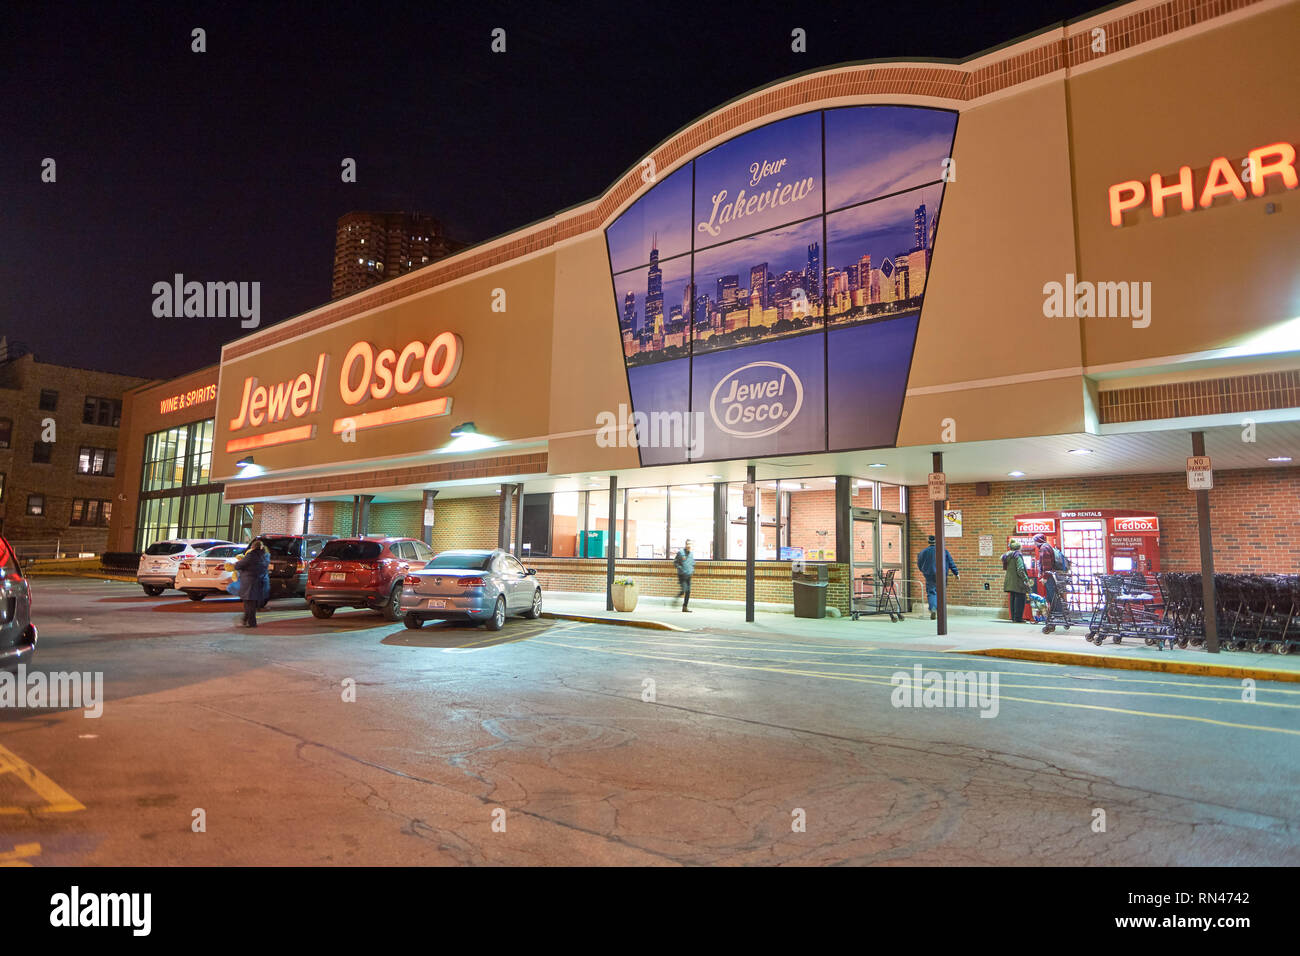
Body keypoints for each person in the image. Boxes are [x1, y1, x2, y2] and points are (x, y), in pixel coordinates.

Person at [916, 534, 958, 620]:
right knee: (941, 592)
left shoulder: (923, 552)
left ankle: (933, 608)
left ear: (929, 542)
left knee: (931, 592)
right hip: (942, 575)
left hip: (929, 575)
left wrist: (925, 571)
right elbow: (950, 562)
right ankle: (940, 610)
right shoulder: (944, 551)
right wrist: (956, 573)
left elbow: (919, 564)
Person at [234, 539, 271, 628]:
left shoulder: (251, 555)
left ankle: (251, 622)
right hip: (259, 582)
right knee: (252, 603)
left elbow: (239, 565)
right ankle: (246, 619)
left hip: (249, 582)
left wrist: (237, 563)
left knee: (248, 603)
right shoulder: (265, 556)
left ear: (253, 547)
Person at [1003, 542, 1032, 623]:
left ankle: (1013, 618)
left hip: (1010, 581)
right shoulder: (1017, 556)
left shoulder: (1008, 556)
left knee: (1013, 598)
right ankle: (1018, 618)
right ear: (1019, 548)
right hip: (1018, 582)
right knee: (1020, 599)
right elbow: (1020, 569)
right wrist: (1026, 579)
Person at [1034, 533, 1059, 612]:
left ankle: (1057, 615)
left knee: (1052, 596)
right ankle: (1054, 615)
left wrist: (1045, 577)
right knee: (1052, 596)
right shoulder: (1047, 546)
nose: (1034, 543)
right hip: (1051, 575)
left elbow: (1046, 564)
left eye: (1034, 541)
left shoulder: (1044, 548)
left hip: (1049, 577)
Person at [673, 539, 695, 613]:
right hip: (682, 575)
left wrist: (692, 570)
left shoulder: (691, 554)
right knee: (683, 590)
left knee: (688, 591)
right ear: (685, 545)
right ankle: (676, 599)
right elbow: (675, 562)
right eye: (688, 544)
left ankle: (685, 607)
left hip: (688, 575)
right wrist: (680, 569)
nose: (689, 545)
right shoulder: (681, 552)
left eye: (690, 544)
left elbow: (692, 563)